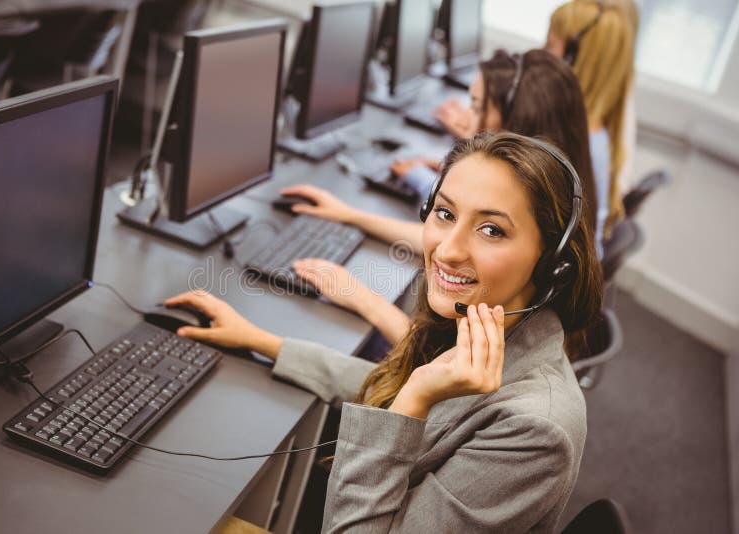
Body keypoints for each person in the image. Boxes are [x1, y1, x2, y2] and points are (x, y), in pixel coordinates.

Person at [166, 132, 603, 532]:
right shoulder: (496, 323)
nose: (448, 250)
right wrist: (263, 342)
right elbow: (387, 384)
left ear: (552, 263)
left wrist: (413, 400)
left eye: (492, 230)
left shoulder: (536, 432)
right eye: (445, 213)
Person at [278, 50, 600, 346]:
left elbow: (434, 362)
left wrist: (362, 298)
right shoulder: (565, 199)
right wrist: (351, 215)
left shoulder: (513, 327)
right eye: (445, 213)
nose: (467, 121)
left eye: (475, 107)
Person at [545, 0, 637, 243]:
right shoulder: (594, 131)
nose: (540, 54)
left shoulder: (567, 144)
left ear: (572, 59)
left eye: (549, 46)